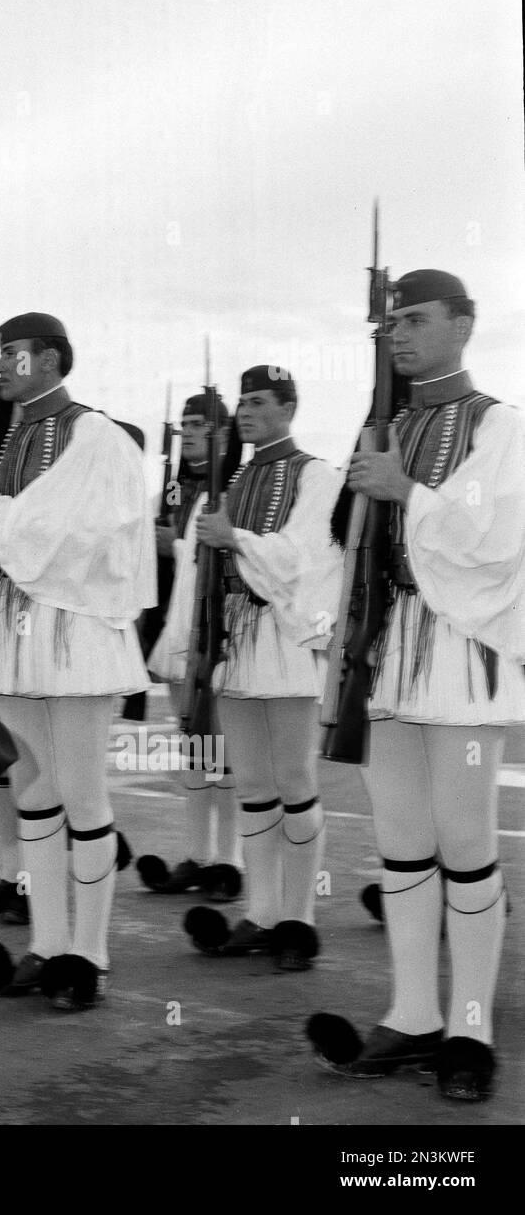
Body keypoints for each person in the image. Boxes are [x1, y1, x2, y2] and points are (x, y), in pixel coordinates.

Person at [309, 270, 525, 1102]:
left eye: (418, 319)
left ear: (465, 325)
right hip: (390, 649)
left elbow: (500, 532)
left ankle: (470, 1029)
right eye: (392, 321)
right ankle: (412, 1014)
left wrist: (406, 492)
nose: (399, 334)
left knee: (465, 845)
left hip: (461, 651)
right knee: (400, 841)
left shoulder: (499, 423)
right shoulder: (386, 423)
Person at [0, 313, 154, 1011]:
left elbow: (100, 529)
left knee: (82, 792)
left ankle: (88, 957)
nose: (3, 365)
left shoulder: (96, 435)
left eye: (15, 354)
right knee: (33, 791)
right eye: (2, 354)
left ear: (50, 360)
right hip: (19, 634)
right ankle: (46, 944)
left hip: (77, 634)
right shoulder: (11, 435)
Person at [182, 366, 342, 971]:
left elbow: (307, 560)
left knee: (295, 781)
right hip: (236, 642)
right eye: (242, 401)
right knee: (253, 785)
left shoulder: (316, 475)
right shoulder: (235, 477)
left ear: (289, 407)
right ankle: (261, 910)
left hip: (287, 639)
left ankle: (299, 920)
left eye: (259, 401)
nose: (246, 411)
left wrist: (237, 539)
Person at [137, 392, 242, 899]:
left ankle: (230, 860)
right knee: (195, 748)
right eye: (184, 426)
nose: (190, 433)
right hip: (176, 626)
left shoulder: (236, 485)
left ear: (222, 431)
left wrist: (172, 546)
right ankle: (199, 855)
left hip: (217, 631)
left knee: (223, 750)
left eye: (200, 424)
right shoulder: (174, 488)